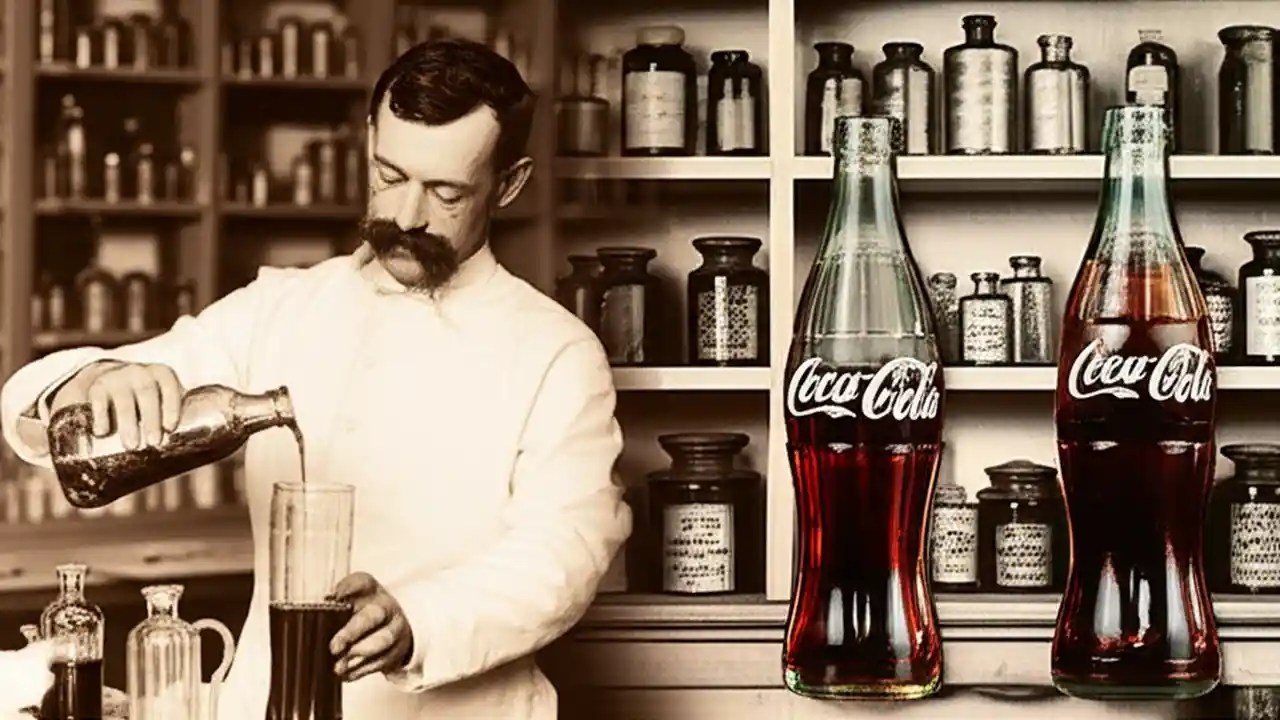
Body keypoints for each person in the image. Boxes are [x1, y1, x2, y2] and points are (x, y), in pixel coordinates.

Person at [0, 39, 631, 719]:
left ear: (508, 183)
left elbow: (566, 549)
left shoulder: (556, 351)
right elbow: (33, 397)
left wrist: (419, 619)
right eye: (389, 175)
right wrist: (94, 379)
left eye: (446, 192)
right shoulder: (283, 307)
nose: (407, 216)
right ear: (366, 141)